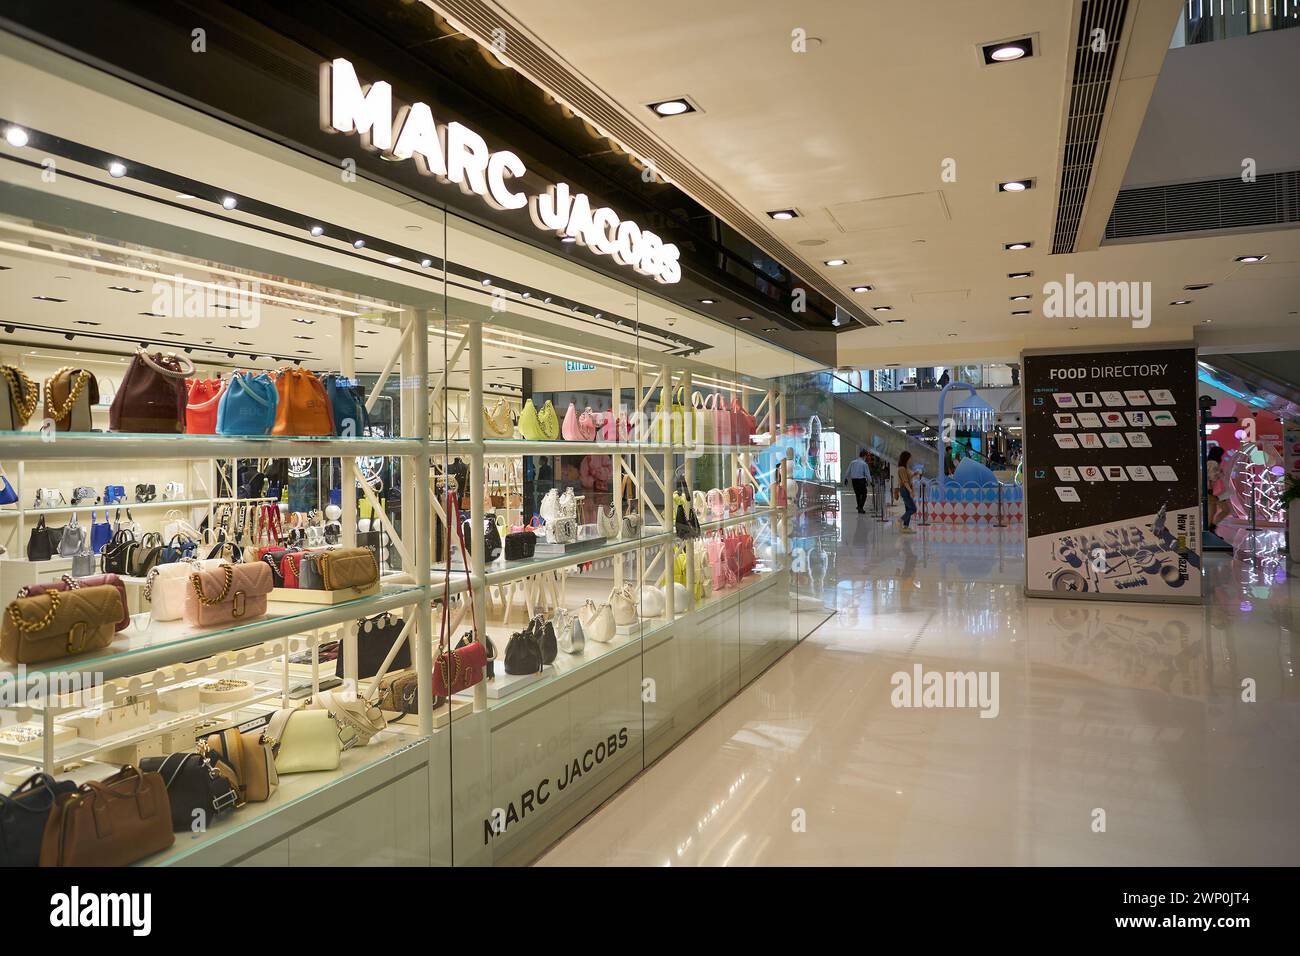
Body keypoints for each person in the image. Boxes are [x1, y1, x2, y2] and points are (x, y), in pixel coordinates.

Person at [896, 450, 917, 533]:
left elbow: (907, 478)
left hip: (906, 489)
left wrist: (913, 475)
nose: (911, 459)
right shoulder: (902, 468)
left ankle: (905, 527)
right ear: (906, 458)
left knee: (908, 508)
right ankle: (900, 520)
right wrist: (910, 491)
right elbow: (905, 481)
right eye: (910, 458)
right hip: (905, 489)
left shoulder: (905, 468)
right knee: (913, 508)